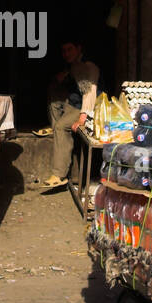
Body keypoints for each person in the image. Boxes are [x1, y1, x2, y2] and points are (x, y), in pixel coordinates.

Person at [42, 39, 100, 190]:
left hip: (86, 108)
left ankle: (59, 175)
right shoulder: (74, 65)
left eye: (70, 49)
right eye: (64, 51)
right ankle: (54, 127)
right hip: (73, 102)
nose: (66, 54)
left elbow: (90, 92)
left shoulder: (89, 66)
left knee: (61, 127)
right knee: (54, 96)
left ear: (78, 48)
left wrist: (82, 118)